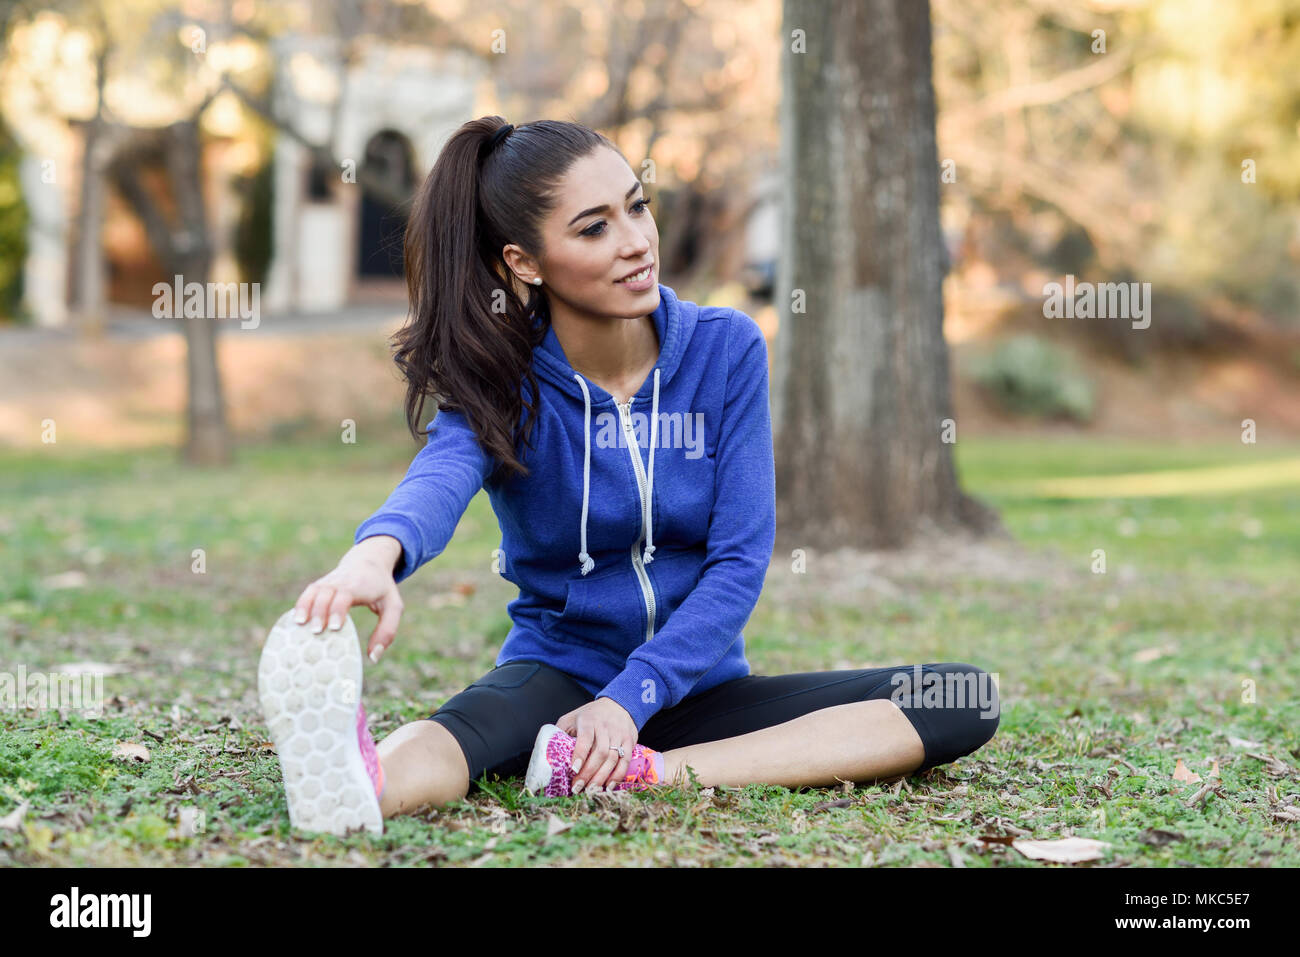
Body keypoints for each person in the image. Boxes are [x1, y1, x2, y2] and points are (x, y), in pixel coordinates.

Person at [257, 117, 1000, 837]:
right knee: (469, 731)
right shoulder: (506, 382)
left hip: (698, 683)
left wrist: (632, 700)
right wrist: (374, 553)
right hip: (559, 678)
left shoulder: (726, 351)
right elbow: (442, 474)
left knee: (962, 697)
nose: (636, 242)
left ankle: (645, 769)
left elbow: (739, 559)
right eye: (594, 228)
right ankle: (359, 782)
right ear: (524, 262)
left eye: (636, 207)